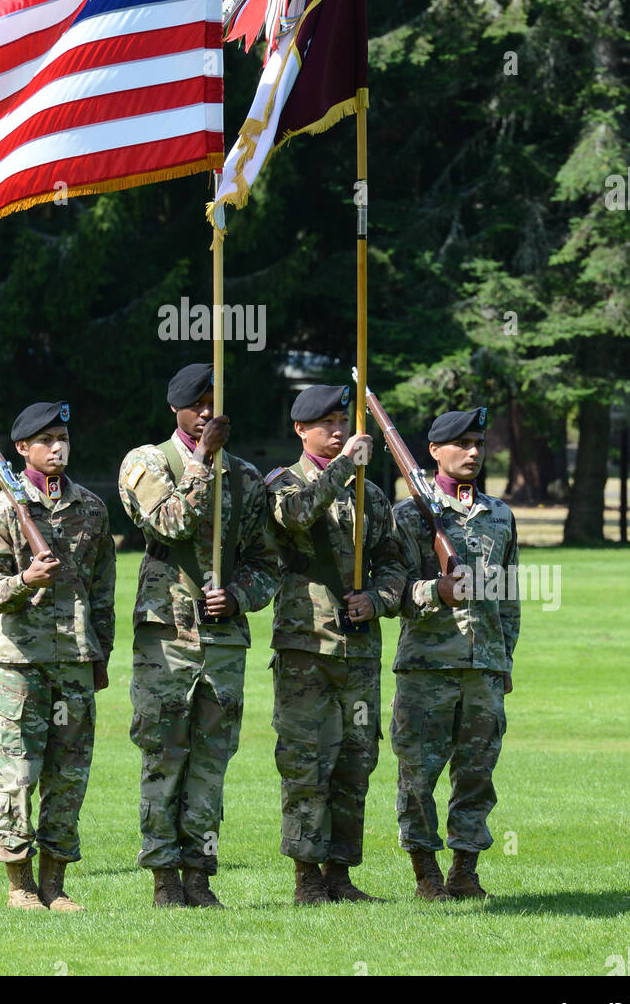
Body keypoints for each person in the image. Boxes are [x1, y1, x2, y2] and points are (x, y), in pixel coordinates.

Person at [118, 362, 278, 909]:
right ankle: (164, 876)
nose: (207, 412)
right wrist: (203, 461)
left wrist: (239, 594)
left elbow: (267, 562)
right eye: (196, 403)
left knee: (212, 761)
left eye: (215, 402)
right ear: (176, 408)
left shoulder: (249, 477)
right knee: (165, 755)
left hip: (224, 641)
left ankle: (199, 875)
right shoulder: (146, 462)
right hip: (167, 636)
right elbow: (171, 523)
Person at [265, 384, 409, 905]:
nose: (339, 431)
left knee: (356, 760)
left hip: (359, 650)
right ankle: (306, 877)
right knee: (306, 763)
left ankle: (340, 874)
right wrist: (343, 467)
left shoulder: (370, 492)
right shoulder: (283, 482)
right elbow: (296, 515)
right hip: (306, 646)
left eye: (343, 421)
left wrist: (379, 598)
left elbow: (394, 559)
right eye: (326, 424)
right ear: (301, 430)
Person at [0, 400, 115, 912]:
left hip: (74, 659)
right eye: (47, 441)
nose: (58, 449)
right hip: (19, 660)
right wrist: (24, 580)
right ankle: (18, 883)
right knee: (16, 772)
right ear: (22, 449)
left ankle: (55, 882)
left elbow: (102, 591)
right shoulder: (0, 511)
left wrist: (101, 654)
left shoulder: (93, 509)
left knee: (69, 774)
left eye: (64, 440)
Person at [389, 407, 519, 900]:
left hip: (483, 667)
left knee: (477, 775)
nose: (473, 453)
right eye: (462, 444)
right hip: (426, 667)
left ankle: (465, 870)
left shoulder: (499, 514)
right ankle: (425, 873)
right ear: (434, 452)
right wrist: (433, 593)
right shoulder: (408, 516)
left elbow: (509, 597)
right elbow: (390, 591)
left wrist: (504, 659)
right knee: (417, 776)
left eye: (479, 444)